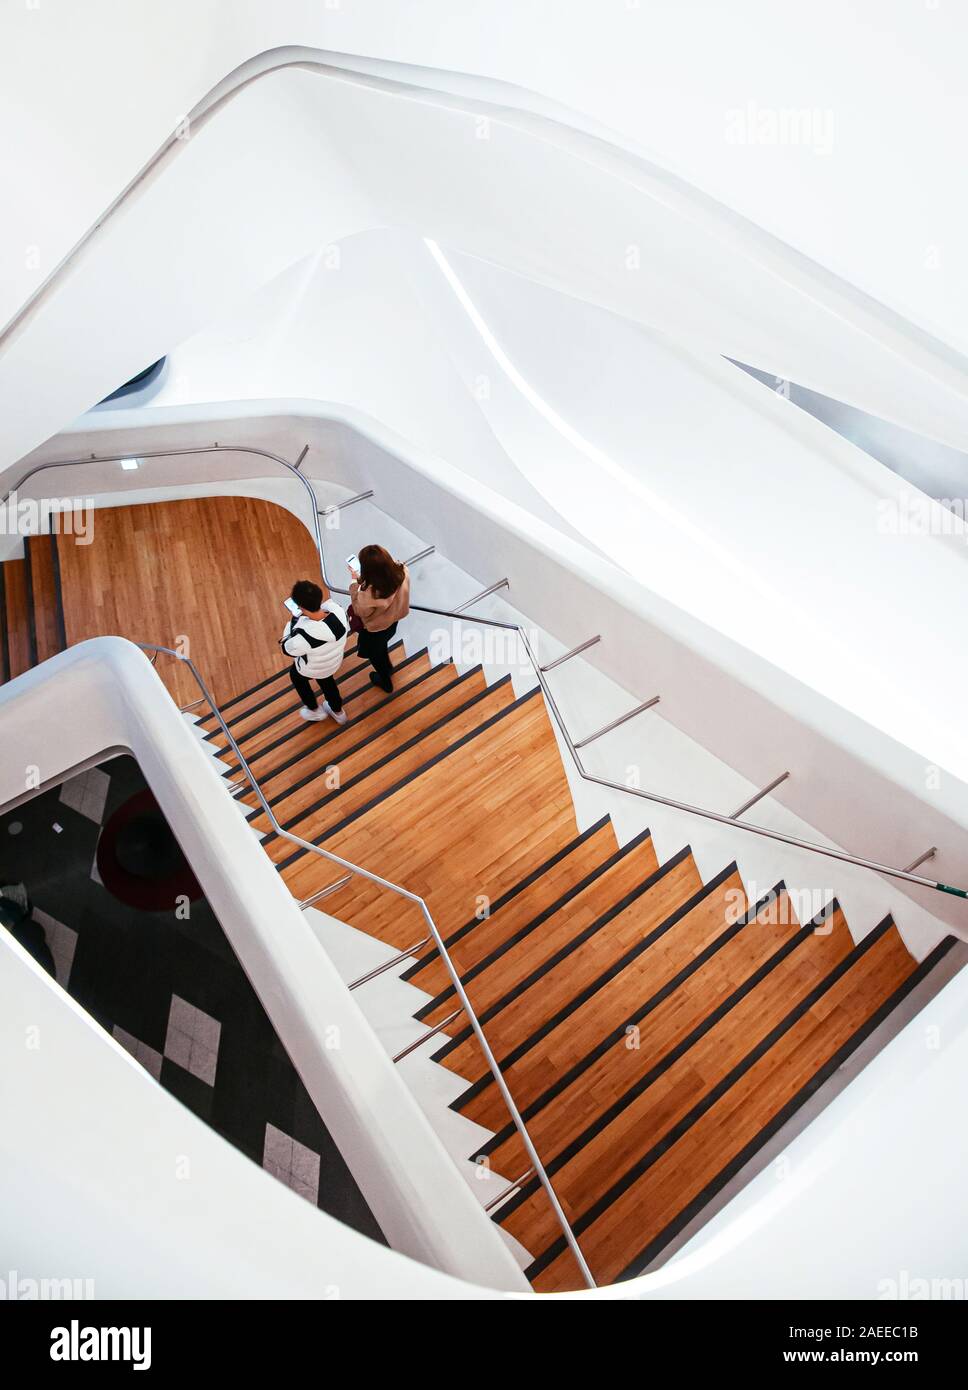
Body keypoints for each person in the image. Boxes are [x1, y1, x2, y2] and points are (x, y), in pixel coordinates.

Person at [280, 579, 349, 724]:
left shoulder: (303, 636)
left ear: (300, 607)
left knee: (296, 677)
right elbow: (325, 612)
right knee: (327, 681)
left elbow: (287, 649)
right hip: (333, 662)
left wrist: (293, 622)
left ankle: (314, 710)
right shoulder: (338, 611)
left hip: (311, 668)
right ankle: (338, 712)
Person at [349, 545, 411, 693]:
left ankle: (386, 682)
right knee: (381, 647)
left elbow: (360, 610)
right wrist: (361, 579)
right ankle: (388, 667)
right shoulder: (402, 571)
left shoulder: (370, 594)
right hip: (393, 622)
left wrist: (354, 584)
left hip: (375, 630)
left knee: (375, 656)